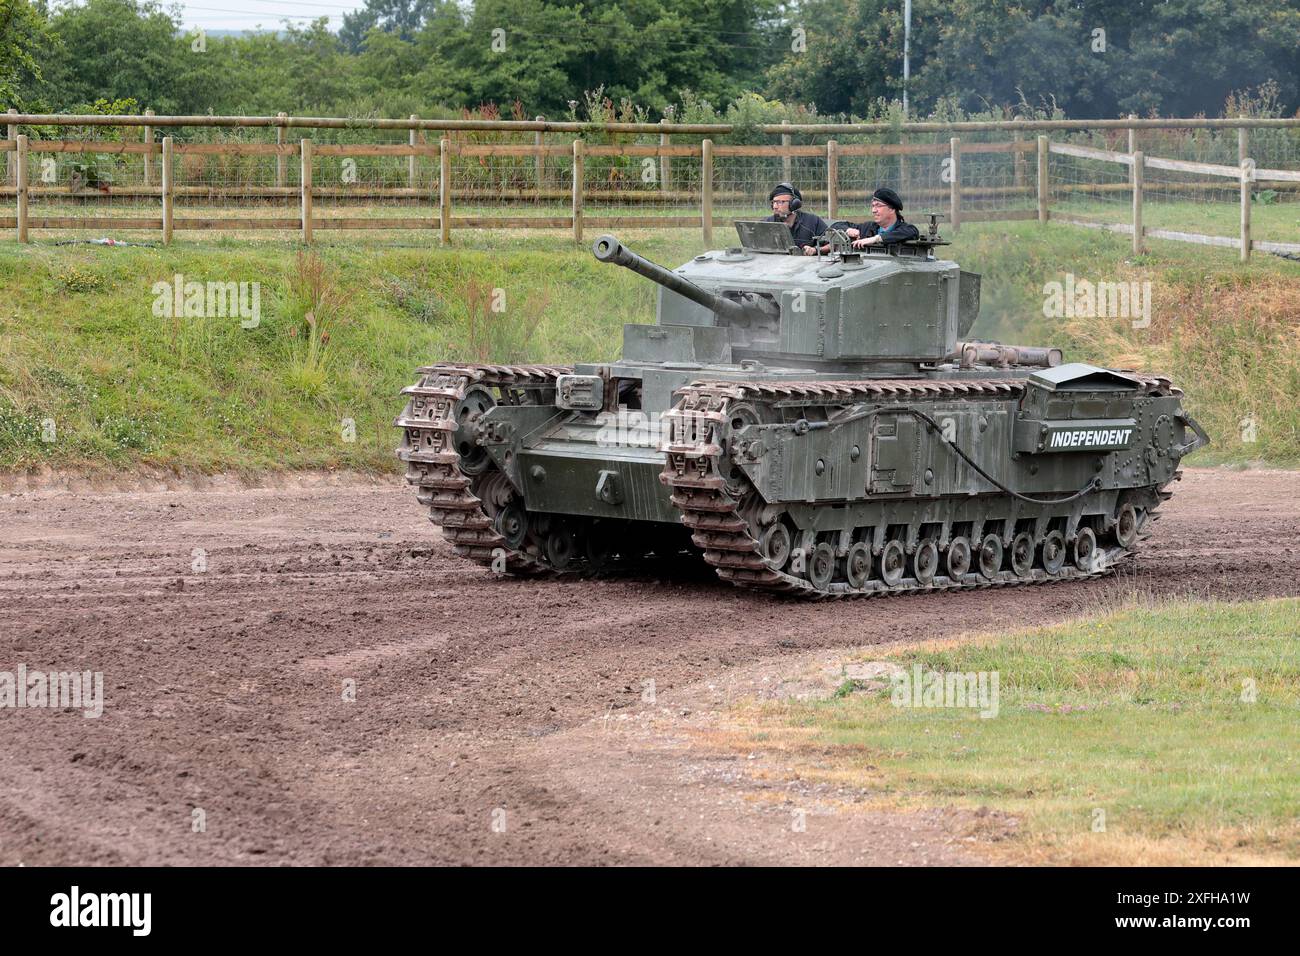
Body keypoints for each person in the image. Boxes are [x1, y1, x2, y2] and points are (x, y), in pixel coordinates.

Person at [764, 183, 830, 254]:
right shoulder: (766, 224)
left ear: (794, 204)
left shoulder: (812, 221)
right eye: (774, 202)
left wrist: (815, 250)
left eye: (780, 202)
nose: (775, 206)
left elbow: (833, 244)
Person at [845, 187, 920, 248]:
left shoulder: (905, 230)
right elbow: (836, 225)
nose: (873, 210)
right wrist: (849, 230)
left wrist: (875, 239)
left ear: (891, 209)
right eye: (873, 206)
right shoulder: (868, 227)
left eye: (878, 206)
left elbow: (913, 232)